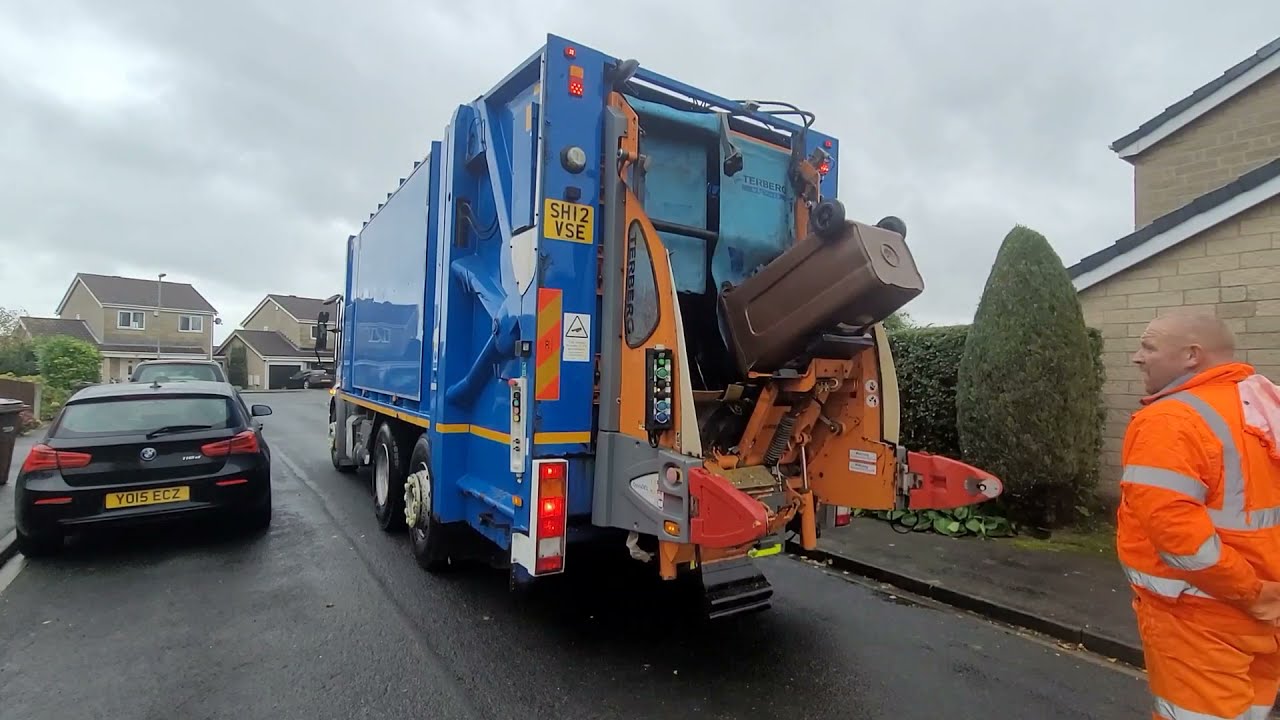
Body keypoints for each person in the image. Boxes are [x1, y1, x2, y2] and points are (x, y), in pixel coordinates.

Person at [1119, 310, 1280, 719]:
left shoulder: (1169, 420)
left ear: (1192, 355)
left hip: (1201, 615)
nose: (1137, 357)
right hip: (1266, 611)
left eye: (1148, 347)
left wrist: (1251, 593)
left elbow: (1178, 537)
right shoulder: (1265, 403)